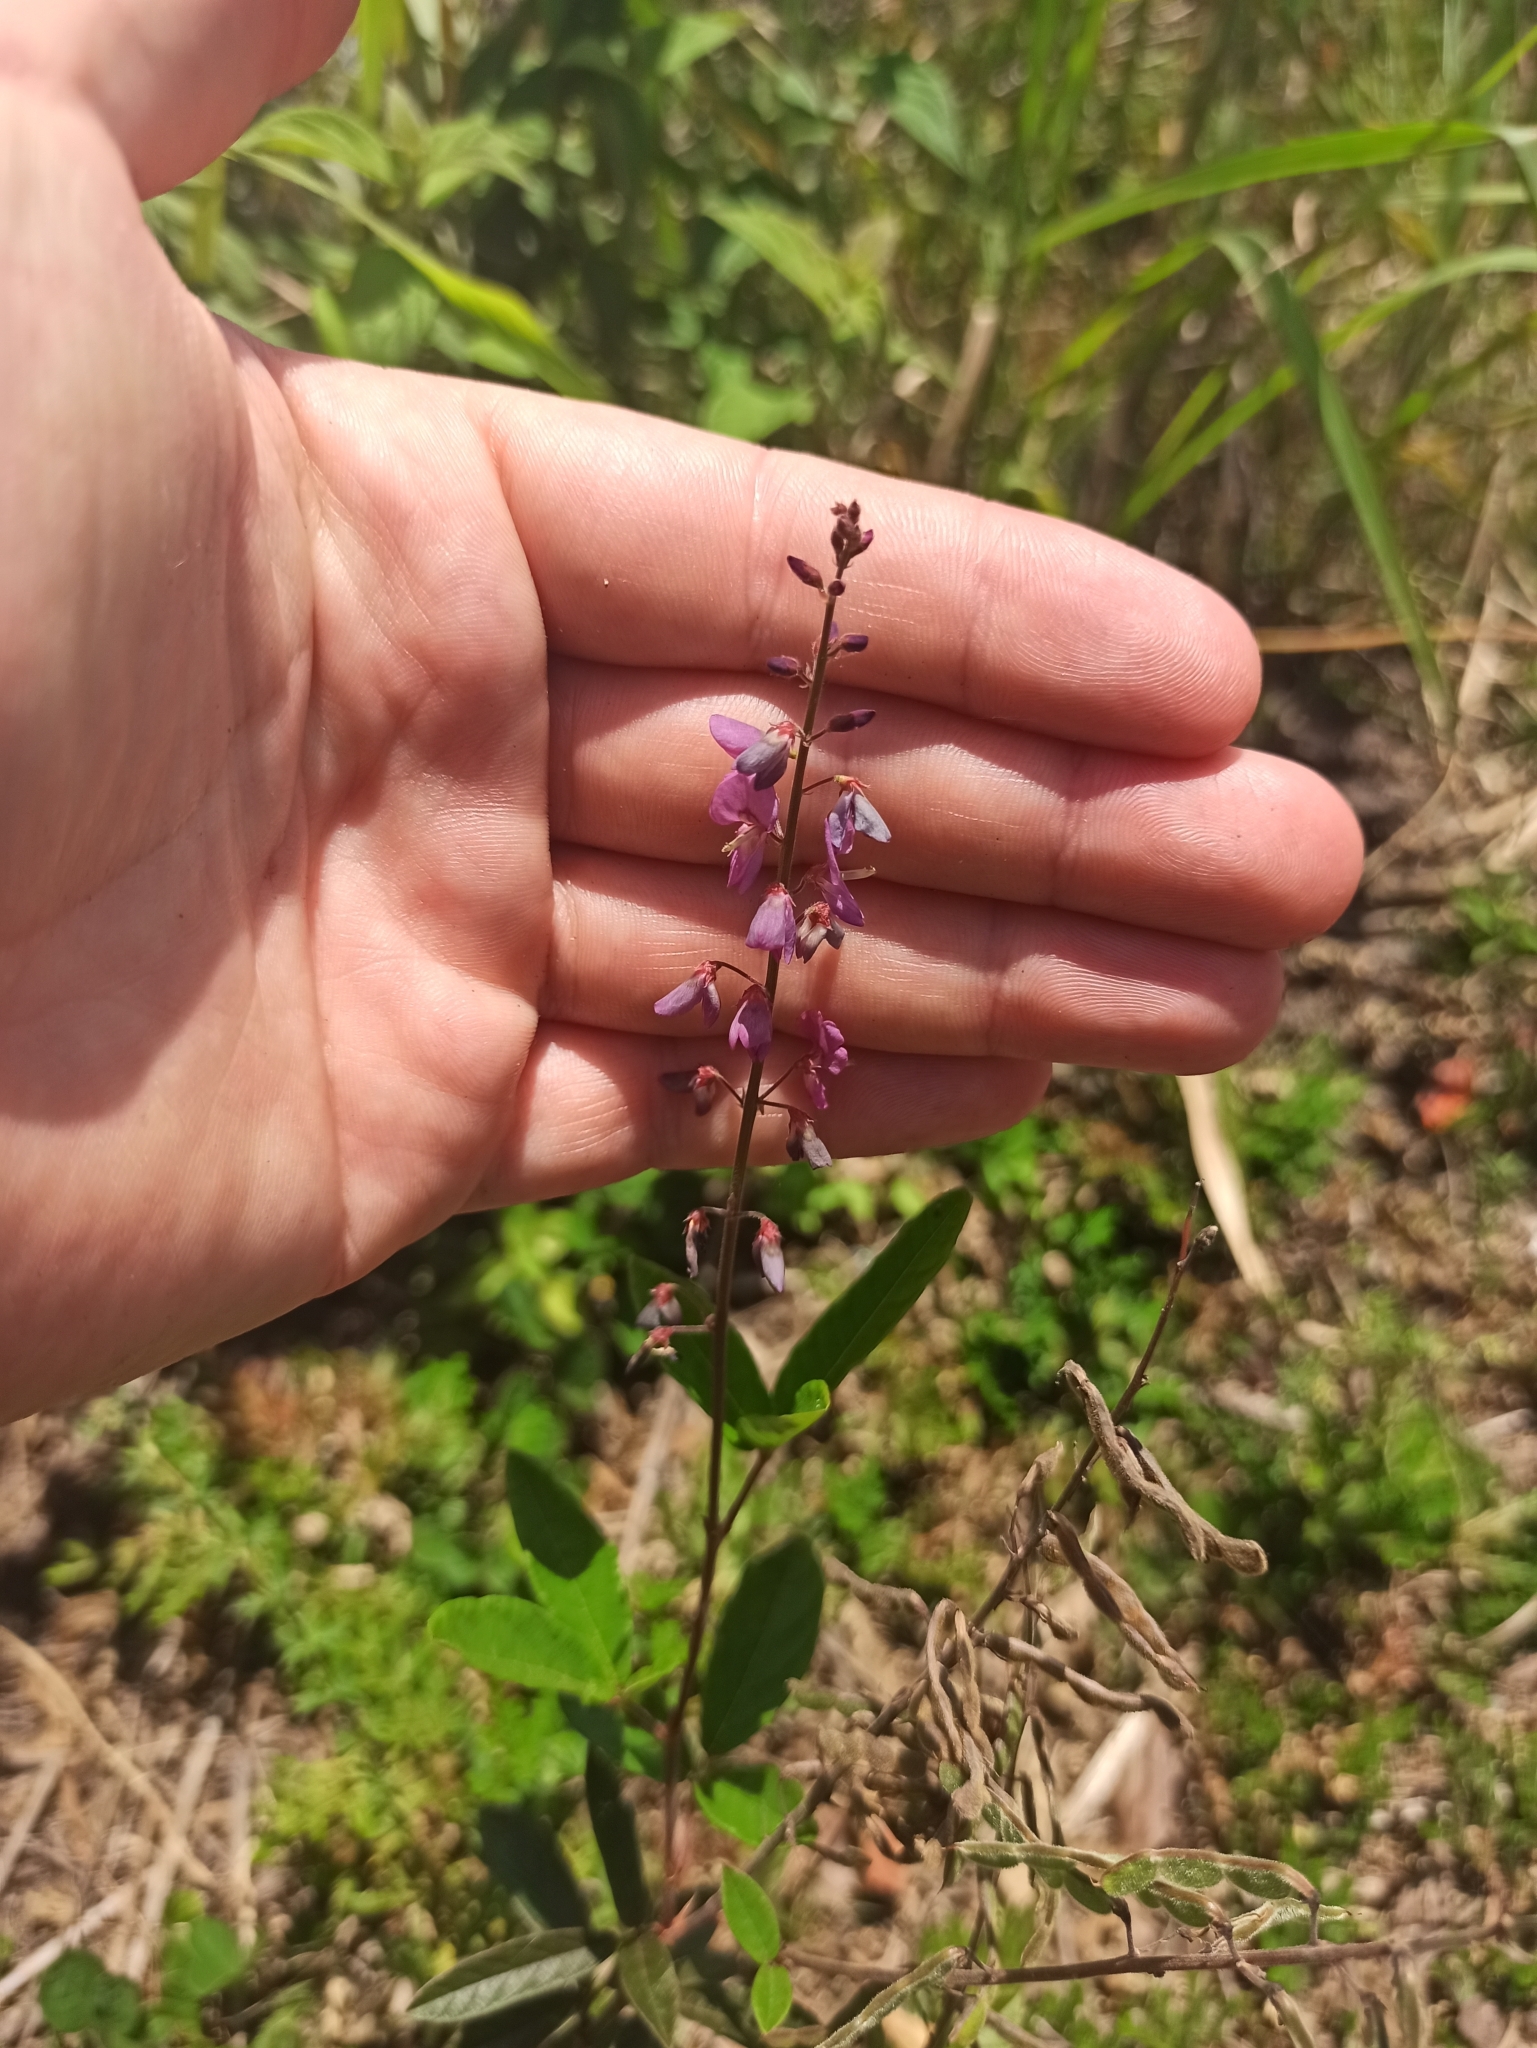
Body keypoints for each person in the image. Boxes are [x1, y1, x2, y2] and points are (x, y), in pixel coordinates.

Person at [0, 0, 1362, 1421]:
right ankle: (708, 1311)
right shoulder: (761, 841)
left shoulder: (799, 864)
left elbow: (776, 880)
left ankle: (732, 1305)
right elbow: (746, 832)